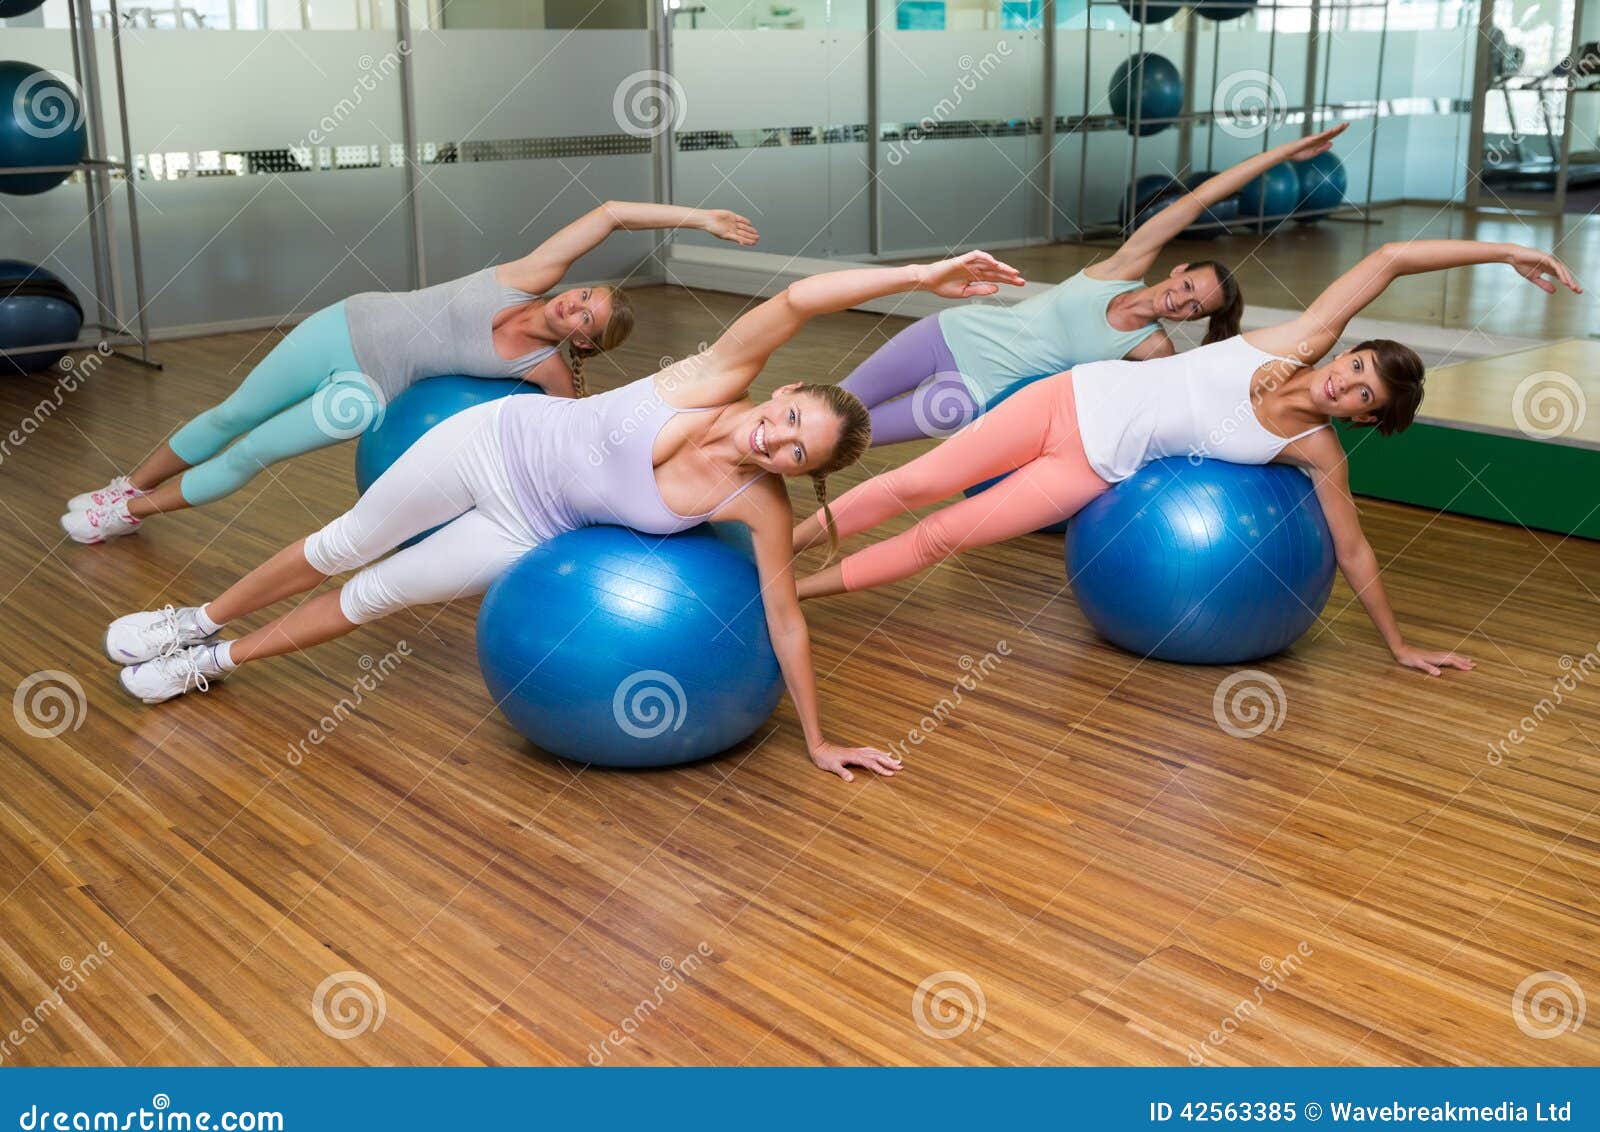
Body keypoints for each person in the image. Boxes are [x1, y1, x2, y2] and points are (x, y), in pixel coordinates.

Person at [104, 251, 1024, 780]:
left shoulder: (759, 506)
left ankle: (210, 662)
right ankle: (194, 620)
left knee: (372, 597)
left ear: (801, 471)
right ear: (779, 392)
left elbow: (785, 619)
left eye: (798, 453)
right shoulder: (711, 384)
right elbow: (791, 298)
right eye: (787, 419)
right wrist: (924, 272)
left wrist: (820, 740)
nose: (776, 443)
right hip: (488, 443)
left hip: (523, 528)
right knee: (343, 543)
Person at [792, 239, 1581, 676]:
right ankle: (783, 547)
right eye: (1356, 366)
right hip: (1065, 399)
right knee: (909, 484)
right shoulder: (1294, 342)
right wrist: (1506, 250)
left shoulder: (1313, 451)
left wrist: (1400, 643)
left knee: (944, 536)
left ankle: (796, 593)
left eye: (1364, 396)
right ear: (1347, 352)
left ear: (1368, 416)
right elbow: (1392, 259)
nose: (1345, 385)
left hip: (1091, 471)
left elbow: (1352, 548)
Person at [62, 201, 760, 543]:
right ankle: (130, 482)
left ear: (589, 343)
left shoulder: (544, 367)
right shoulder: (526, 276)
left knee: (253, 452)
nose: (577, 309)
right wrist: (698, 218)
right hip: (341, 326)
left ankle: (127, 512)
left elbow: (585, 436)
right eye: (585, 297)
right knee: (229, 416)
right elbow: (609, 214)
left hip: (365, 392)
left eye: (590, 322)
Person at [838, 125, 1349, 446]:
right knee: (834, 403)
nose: (1185, 299)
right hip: (948, 334)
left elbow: (1192, 396)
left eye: (1196, 307)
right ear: (1178, 269)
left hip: (972, 393)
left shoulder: (1152, 348)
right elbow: (1198, 200)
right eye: (1191, 284)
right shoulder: (1122, 266)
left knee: (849, 437)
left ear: (1191, 319)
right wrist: (1281, 155)